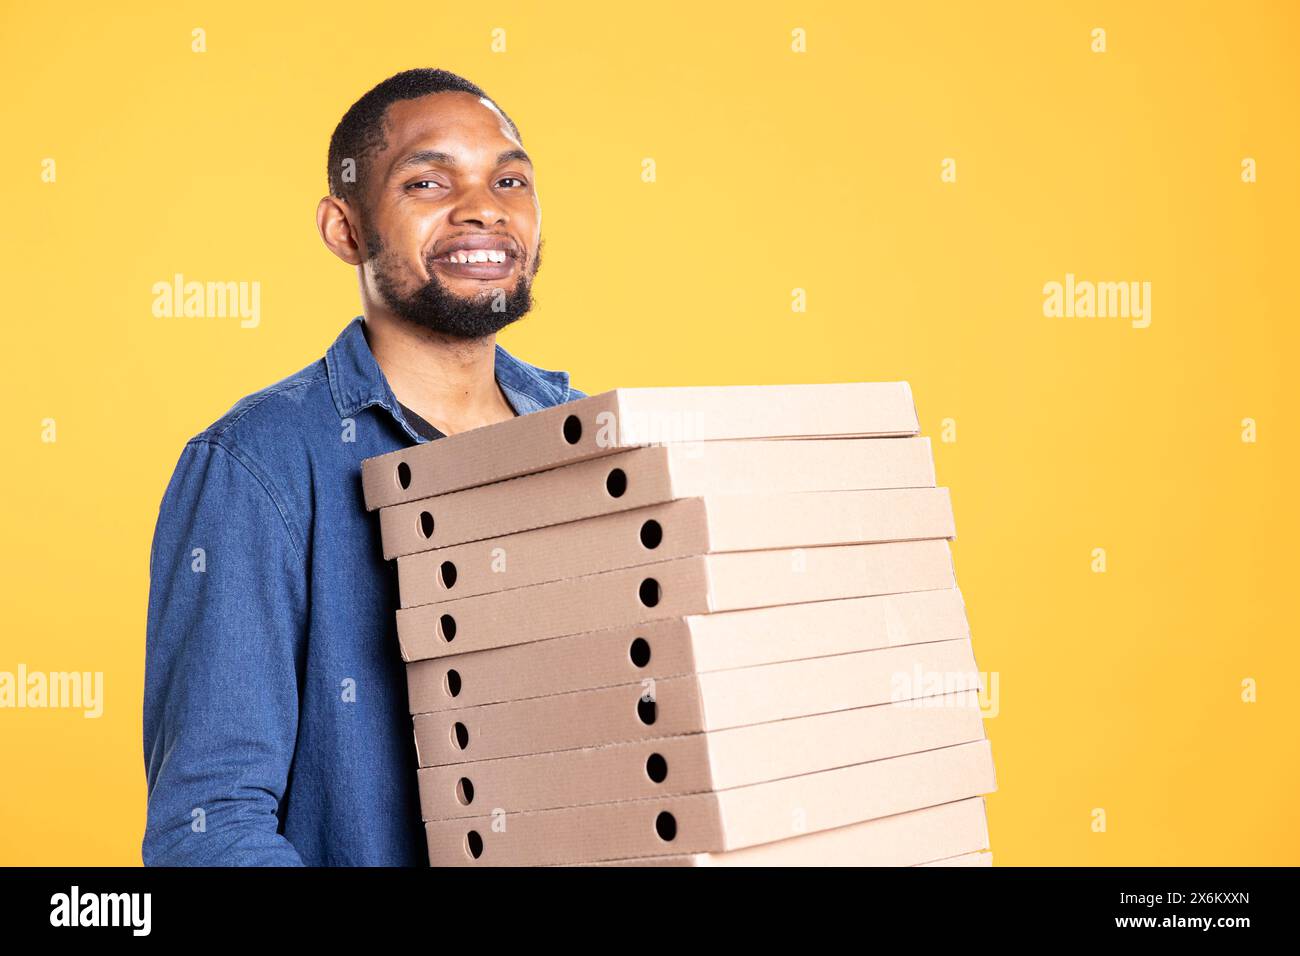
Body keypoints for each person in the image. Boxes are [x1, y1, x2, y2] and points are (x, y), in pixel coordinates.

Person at [142, 68, 585, 865]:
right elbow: (208, 829)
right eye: (427, 180)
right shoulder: (255, 465)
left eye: (509, 178)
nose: (484, 206)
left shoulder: (592, 443)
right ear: (345, 229)